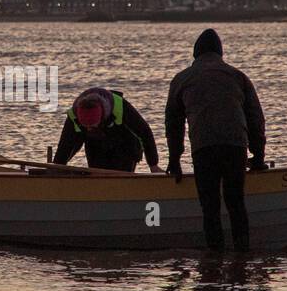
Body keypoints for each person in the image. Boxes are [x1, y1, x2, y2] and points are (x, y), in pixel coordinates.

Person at [165, 29, 266, 251]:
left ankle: (215, 259)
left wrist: (174, 159)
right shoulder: (237, 76)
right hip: (235, 144)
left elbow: (173, 124)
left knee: (210, 206)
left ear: (195, 54)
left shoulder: (182, 79)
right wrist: (258, 156)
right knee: (236, 202)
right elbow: (255, 118)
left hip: (203, 146)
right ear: (220, 53)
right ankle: (242, 255)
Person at [53, 87, 163, 173]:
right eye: (85, 126)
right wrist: (57, 167)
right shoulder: (74, 115)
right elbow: (66, 145)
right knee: (98, 175)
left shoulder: (121, 107)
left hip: (126, 144)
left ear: (102, 117)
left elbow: (145, 133)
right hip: (96, 145)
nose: (88, 128)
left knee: (118, 177)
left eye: (92, 125)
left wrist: (153, 165)